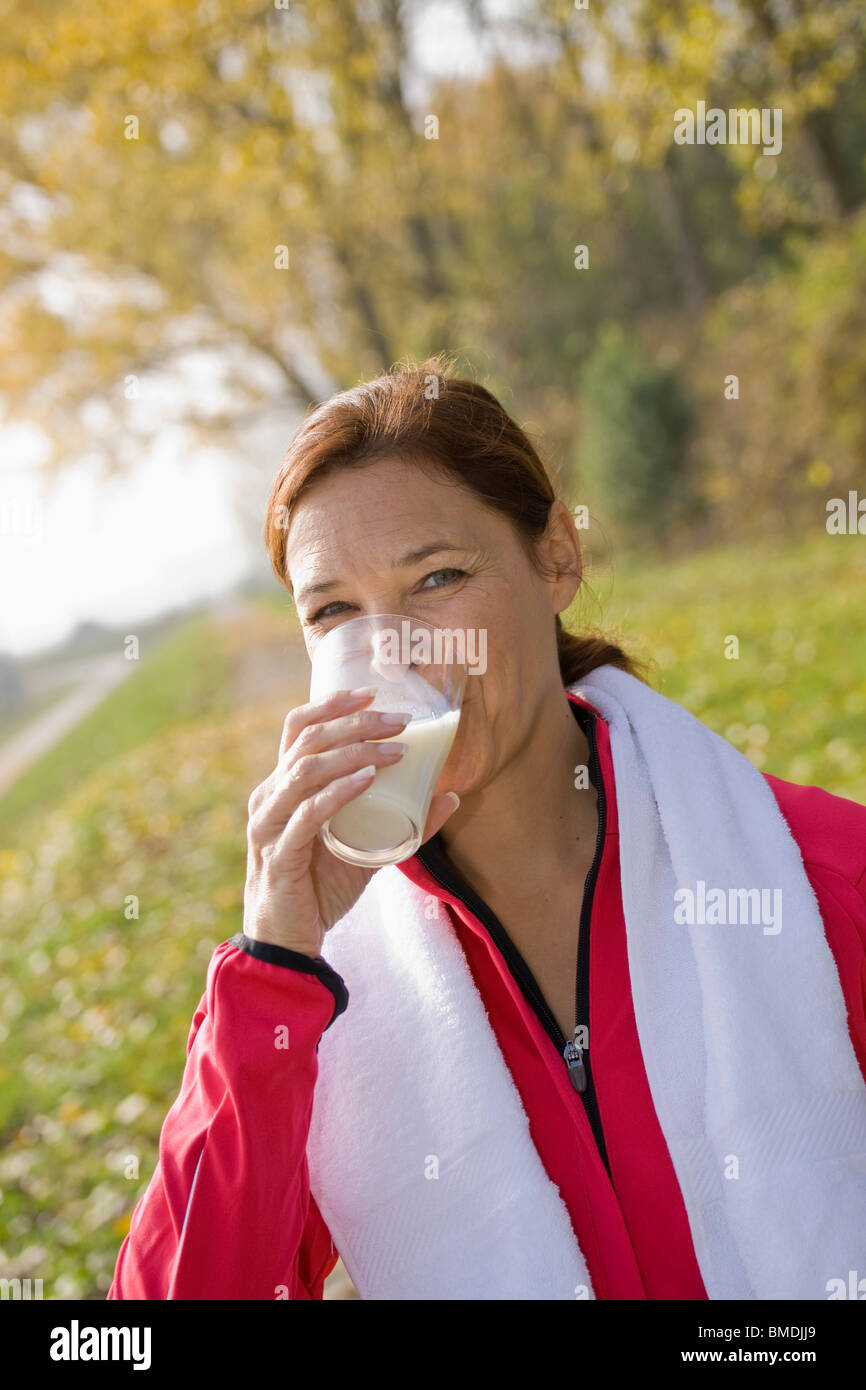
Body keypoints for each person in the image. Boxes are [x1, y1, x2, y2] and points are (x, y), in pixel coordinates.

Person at [108, 354, 866, 1301]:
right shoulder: (311, 998)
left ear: (556, 556)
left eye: (436, 579)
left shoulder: (820, 879)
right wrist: (276, 967)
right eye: (337, 611)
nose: (393, 652)